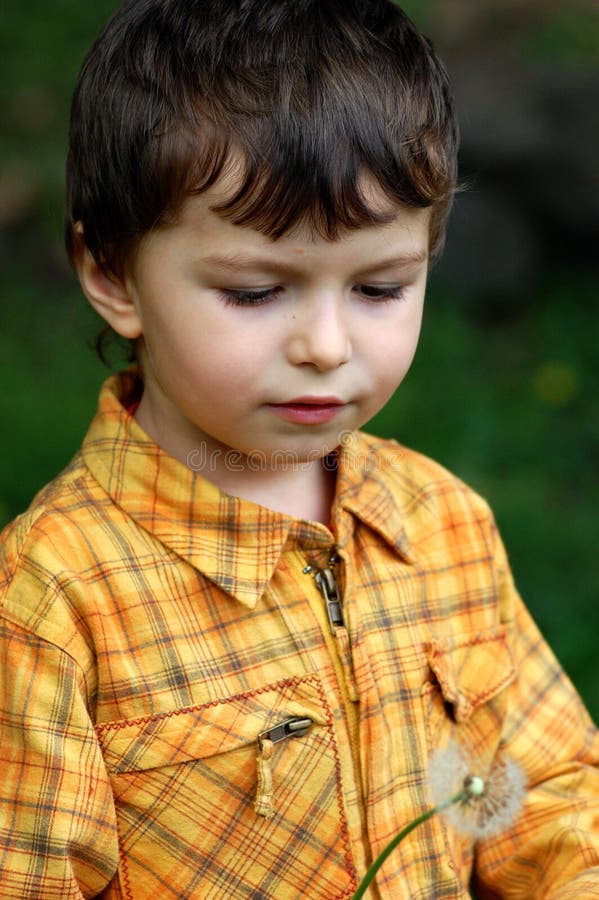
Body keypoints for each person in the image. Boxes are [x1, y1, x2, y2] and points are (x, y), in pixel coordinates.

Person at [1, 1, 598, 897]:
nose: (325, 344)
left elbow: (547, 798)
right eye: (252, 292)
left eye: (379, 286)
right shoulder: (55, 601)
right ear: (112, 275)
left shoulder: (442, 523)